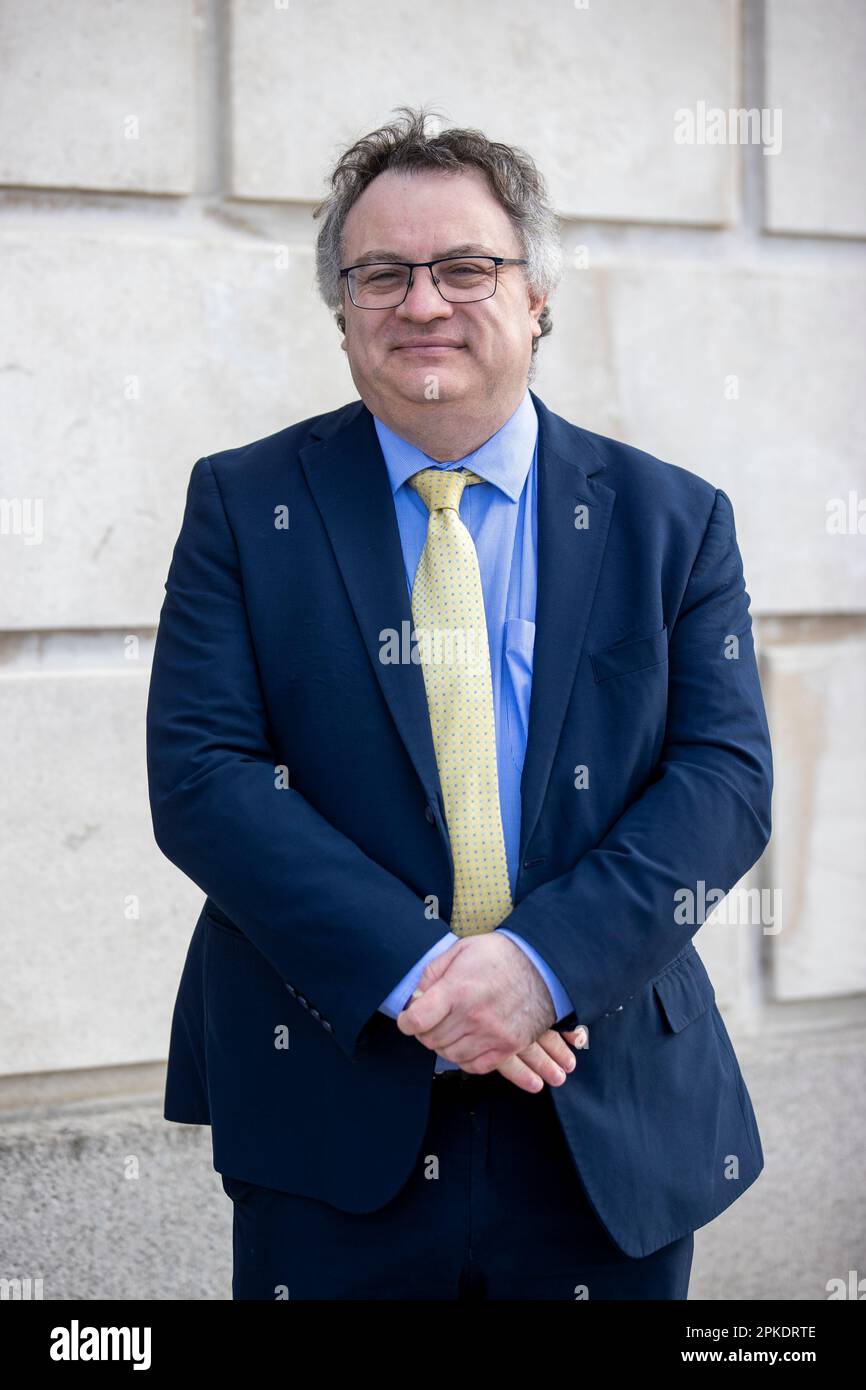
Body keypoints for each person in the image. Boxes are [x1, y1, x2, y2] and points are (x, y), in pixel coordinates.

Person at [146, 106, 773, 1300]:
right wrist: (429, 977)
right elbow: (204, 776)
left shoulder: (671, 520)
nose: (421, 302)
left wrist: (537, 965)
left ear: (536, 296)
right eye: (380, 273)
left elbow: (722, 779)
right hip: (336, 1093)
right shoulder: (243, 504)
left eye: (465, 267)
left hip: (601, 1100)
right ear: (341, 310)